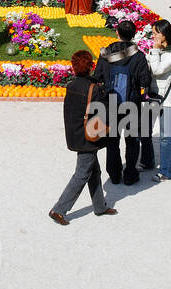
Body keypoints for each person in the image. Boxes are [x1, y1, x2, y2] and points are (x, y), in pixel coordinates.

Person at [48, 50, 118, 225]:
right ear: (90, 67)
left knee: (94, 171)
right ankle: (59, 209)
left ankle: (100, 206)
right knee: (82, 173)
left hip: (75, 134)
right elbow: (105, 113)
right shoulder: (94, 88)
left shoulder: (71, 86)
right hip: (88, 137)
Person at [95, 20, 154, 185]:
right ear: (134, 35)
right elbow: (145, 80)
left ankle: (114, 174)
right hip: (131, 103)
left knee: (112, 141)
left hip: (110, 102)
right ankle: (130, 174)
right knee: (132, 140)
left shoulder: (106, 54)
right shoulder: (138, 55)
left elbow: (97, 76)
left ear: (117, 33)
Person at [146, 20, 171, 181]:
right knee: (144, 130)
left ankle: (166, 171)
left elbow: (157, 70)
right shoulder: (159, 49)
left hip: (166, 99)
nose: (153, 36)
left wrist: (154, 50)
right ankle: (148, 161)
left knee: (166, 136)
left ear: (163, 33)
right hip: (152, 95)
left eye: (155, 33)